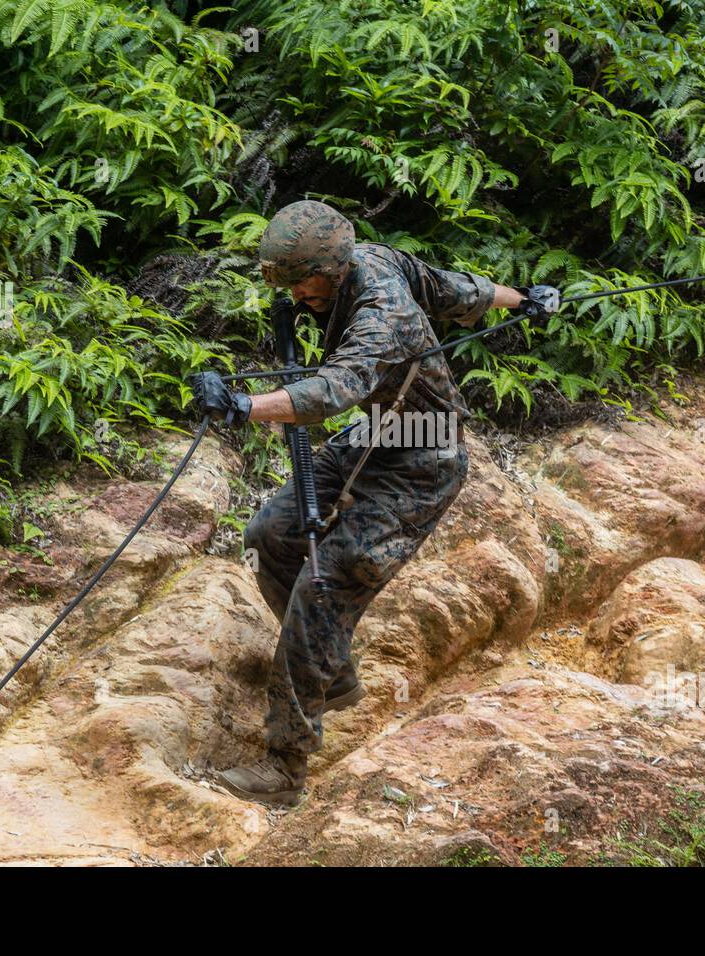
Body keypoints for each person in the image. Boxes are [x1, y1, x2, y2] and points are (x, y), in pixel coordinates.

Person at [190, 199, 559, 805]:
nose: (291, 294)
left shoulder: (379, 312)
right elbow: (452, 289)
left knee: (322, 590)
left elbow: (338, 387)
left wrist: (243, 408)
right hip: (377, 435)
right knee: (269, 534)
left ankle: (285, 768)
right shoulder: (371, 260)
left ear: (331, 272)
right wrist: (524, 299)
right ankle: (329, 670)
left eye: (297, 283)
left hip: (422, 463)